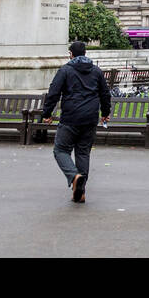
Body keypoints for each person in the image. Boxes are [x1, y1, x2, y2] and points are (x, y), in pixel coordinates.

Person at [42, 40, 111, 204]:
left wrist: (47, 113)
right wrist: (105, 113)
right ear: (85, 53)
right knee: (83, 152)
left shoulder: (65, 70)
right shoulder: (96, 71)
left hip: (71, 117)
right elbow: (105, 93)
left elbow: (54, 93)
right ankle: (80, 191)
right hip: (90, 118)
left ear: (71, 54)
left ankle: (74, 177)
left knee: (60, 150)